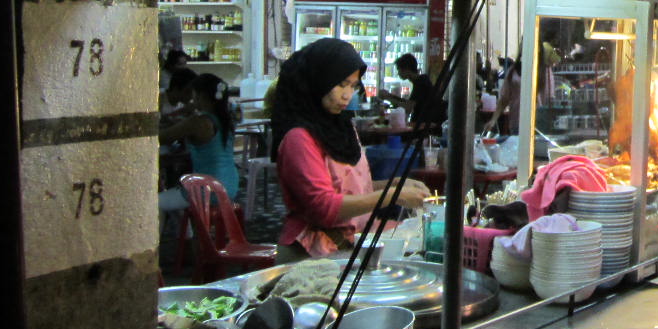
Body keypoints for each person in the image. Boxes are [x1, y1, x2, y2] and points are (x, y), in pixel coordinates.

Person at [270, 37, 432, 262]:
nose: (347, 95)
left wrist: (393, 184)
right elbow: (323, 207)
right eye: (341, 84)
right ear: (318, 81)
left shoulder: (342, 128)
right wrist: (392, 195)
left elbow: (347, 188)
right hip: (311, 256)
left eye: (353, 86)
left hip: (349, 243)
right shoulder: (299, 138)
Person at [158, 72, 240, 203]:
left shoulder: (198, 122)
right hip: (230, 186)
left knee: (156, 204)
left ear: (200, 95)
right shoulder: (225, 120)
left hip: (208, 190)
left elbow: (162, 138)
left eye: (193, 94)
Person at [378, 53, 447, 132]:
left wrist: (388, 97)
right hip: (425, 123)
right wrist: (389, 96)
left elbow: (408, 107)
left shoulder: (421, 83)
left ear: (406, 69)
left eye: (399, 69)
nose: (398, 73)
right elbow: (410, 102)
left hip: (425, 126)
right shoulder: (421, 80)